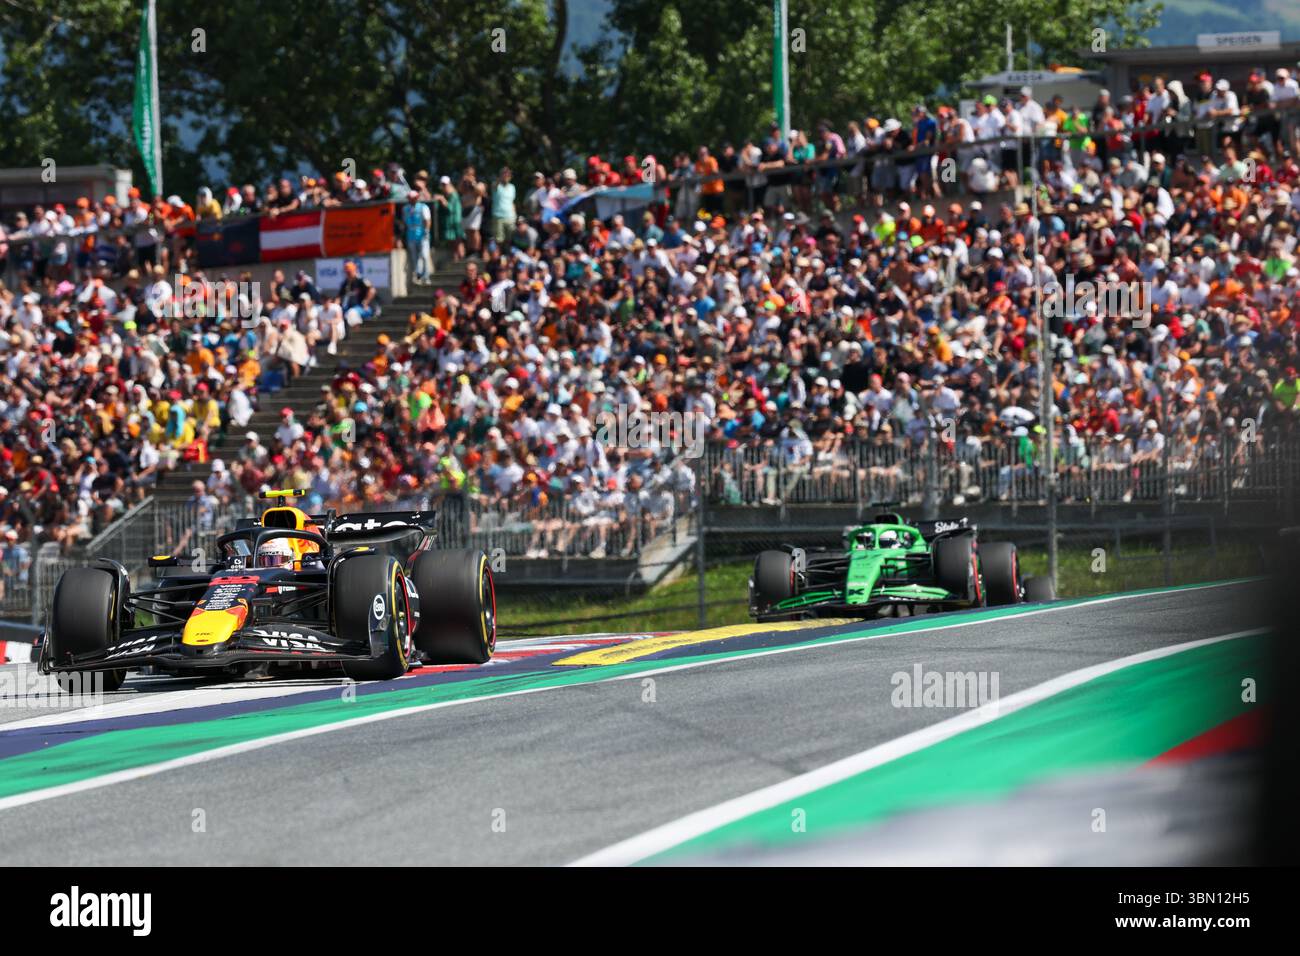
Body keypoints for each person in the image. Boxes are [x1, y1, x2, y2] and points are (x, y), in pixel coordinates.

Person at [402, 190, 432, 285]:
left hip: (422, 235)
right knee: (414, 257)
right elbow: (405, 222)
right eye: (410, 198)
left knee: (424, 255)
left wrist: (426, 231)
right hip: (411, 235)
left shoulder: (423, 207)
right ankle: (418, 275)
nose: (411, 200)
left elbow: (427, 220)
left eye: (413, 198)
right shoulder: (405, 208)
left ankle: (426, 276)